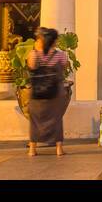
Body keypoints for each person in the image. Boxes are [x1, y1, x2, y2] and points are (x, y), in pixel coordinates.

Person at [26, 27, 69, 158]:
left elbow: (31, 66)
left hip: (37, 93)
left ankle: (32, 149)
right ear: (53, 41)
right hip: (56, 92)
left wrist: (37, 49)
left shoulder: (34, 54)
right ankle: (59, 149)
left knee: (35, 120)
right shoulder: (60, 55)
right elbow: (65, 66)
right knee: (56, 118)